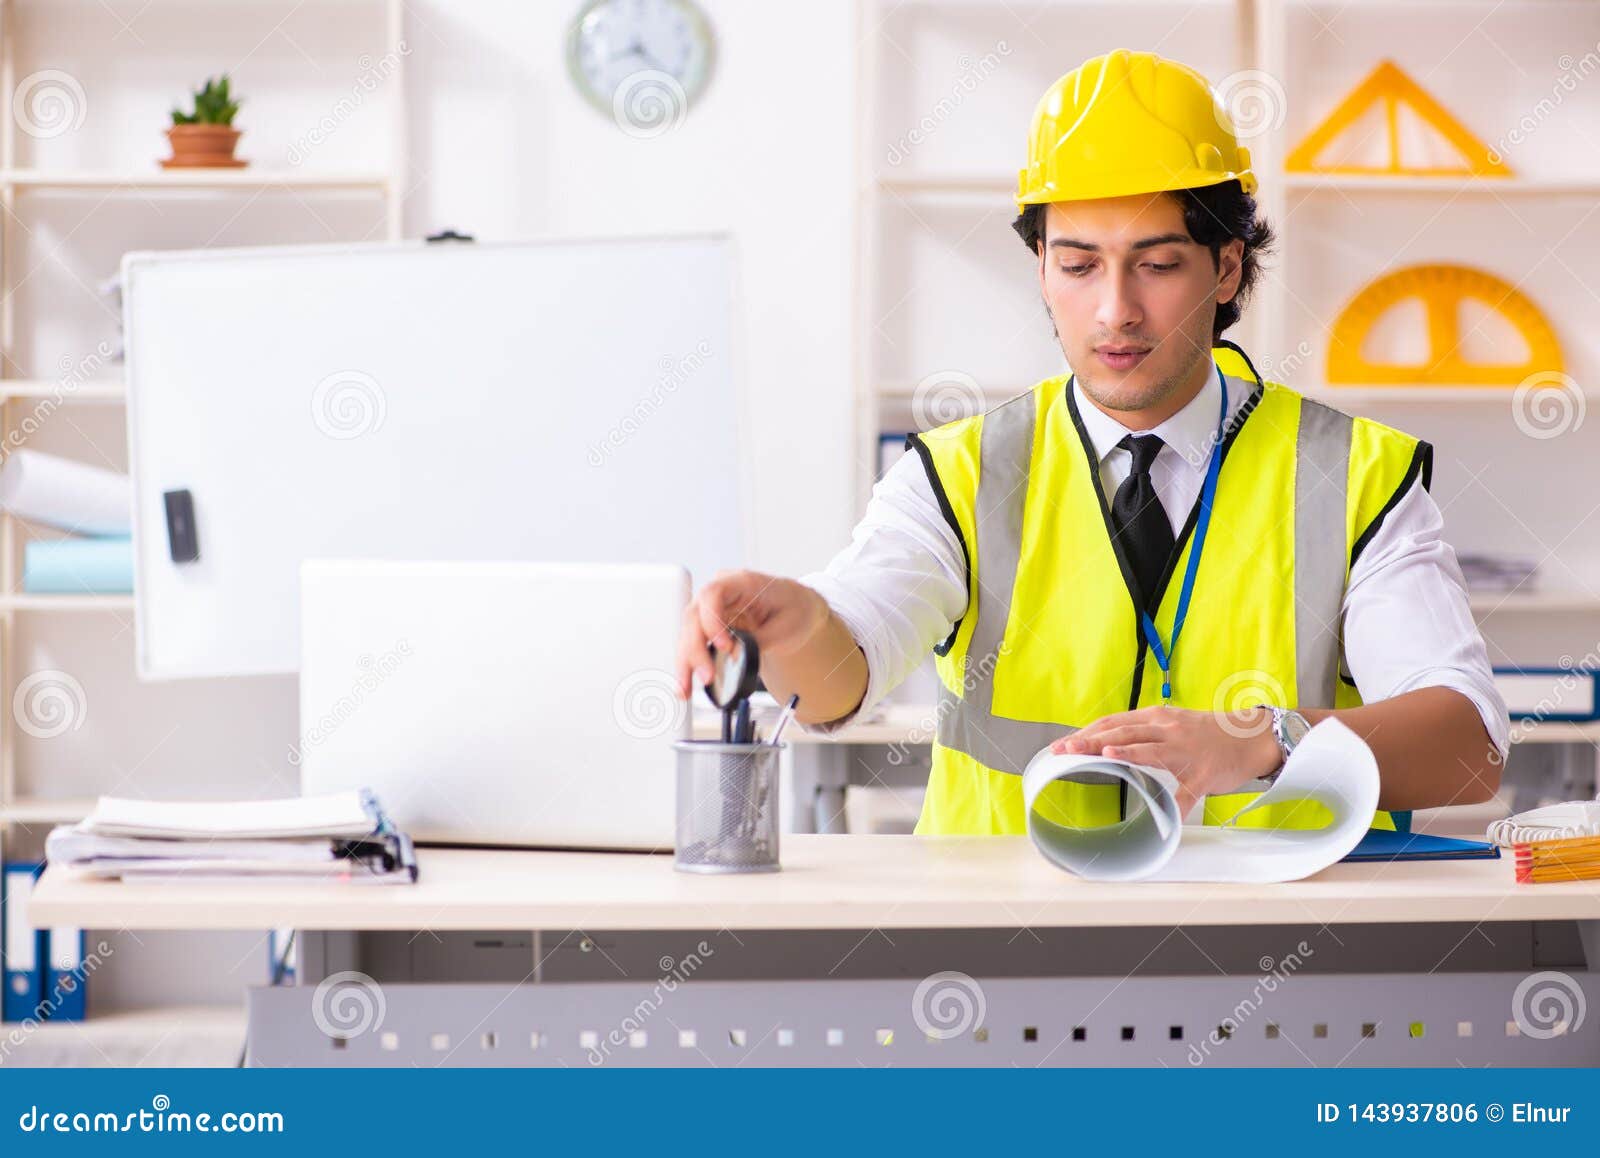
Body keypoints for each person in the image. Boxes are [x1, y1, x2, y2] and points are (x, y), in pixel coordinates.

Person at [674, 49, 1507, 834]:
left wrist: (1266, 739)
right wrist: (793, 630)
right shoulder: (958, 474)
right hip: (1007, 950)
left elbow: (1469, 748)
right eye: (1078, 266)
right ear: (1040, 268)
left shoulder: (1355, 473)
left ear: (1225, 268)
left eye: (1156, 264)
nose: (1115, 311)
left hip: (1282, 948)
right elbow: (845, 665)